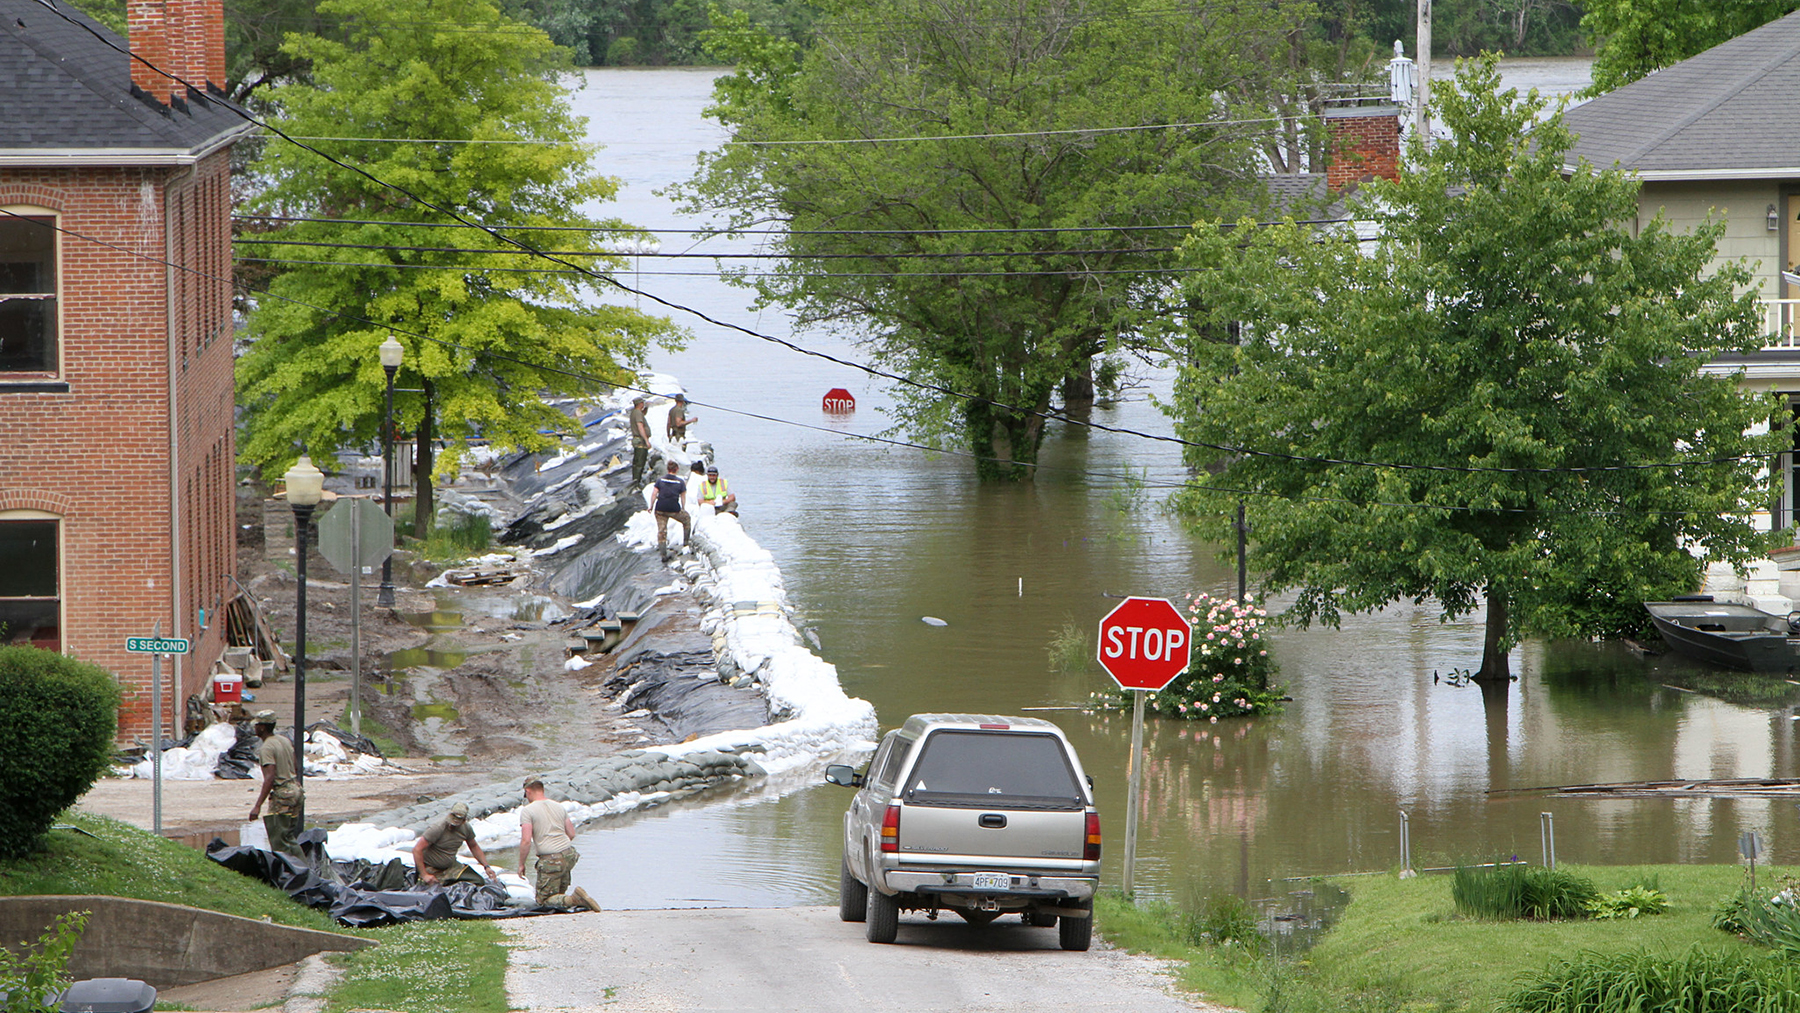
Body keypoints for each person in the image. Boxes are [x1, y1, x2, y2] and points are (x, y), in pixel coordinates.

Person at [518, 775, 600, 912]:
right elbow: (571, 833)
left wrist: (521, 864)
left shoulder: (528, 811)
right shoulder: (559, 806)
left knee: (544, 902)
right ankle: (572, 900)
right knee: (558, 895)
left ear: (528, 791)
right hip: (569, 855)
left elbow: (526, 841)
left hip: (551, 860)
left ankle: (575, 899)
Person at [247, 711, 303, 855]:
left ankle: (285, 875)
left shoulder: (266, 748)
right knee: (289, 837)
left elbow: (270, 777)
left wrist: (257, 806)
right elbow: (296, 766)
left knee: (279, 843)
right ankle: (304, 871)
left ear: (262, 728)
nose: (255, 728)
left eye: (257, 725)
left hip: (283, 795)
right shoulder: (284, 740)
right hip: (296, 791)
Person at [412, 802, 497, 887]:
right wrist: (424, 875)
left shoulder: (466, 828)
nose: (453, 823)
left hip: (451, 867)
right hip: (430, 867)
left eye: (458, 820)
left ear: (463, 820)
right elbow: (417, 850)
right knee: (433, 888)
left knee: (478, 881)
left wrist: (486, 866)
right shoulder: (437, 828)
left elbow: (473, 846)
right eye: (453, 818)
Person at [649, 460, 691, 562]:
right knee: (686, 520)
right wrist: (683, 508)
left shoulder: (660, 480)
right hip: (673, 509)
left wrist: (651, 506)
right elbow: (683, 497)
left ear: (668, 469)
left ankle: (663, 554)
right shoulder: (680, 482)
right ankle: (686, 544)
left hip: (660, 509)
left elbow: (654, 494)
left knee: (662, 531)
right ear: (676, 469)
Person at [627, 396, 651, 485]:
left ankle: (636, 480)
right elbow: (640, 426)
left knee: (638, 462)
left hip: (638, 440)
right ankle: (636, 482)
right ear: (640, 404)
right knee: (639, 463)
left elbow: (642, 414)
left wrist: (647, 408)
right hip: (640, 441)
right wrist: (646, 440)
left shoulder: (636, 412)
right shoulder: (637, 413)